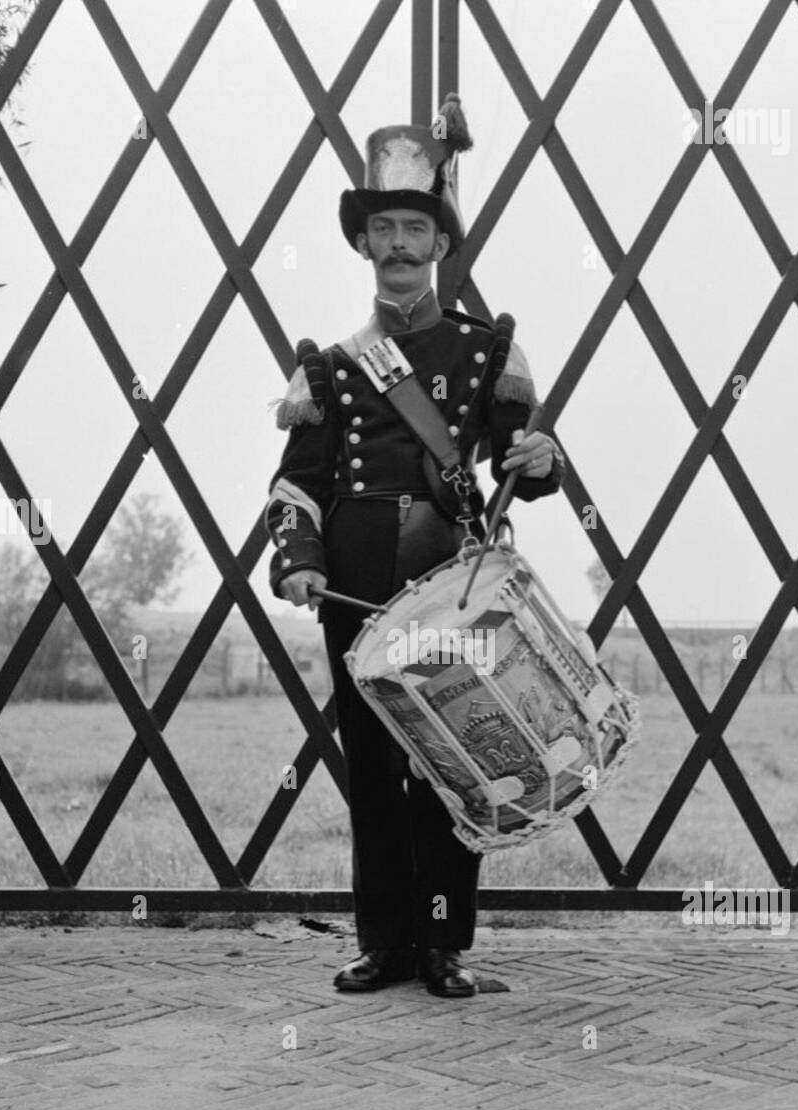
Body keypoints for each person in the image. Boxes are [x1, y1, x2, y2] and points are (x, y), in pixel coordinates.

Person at [265, 95, 564, 997]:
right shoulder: (331, 367)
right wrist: (302, 558)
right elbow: (294, 485)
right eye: (384, 228)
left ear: (439, 245)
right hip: (355, 591)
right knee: (371, 765)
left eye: (414, 229)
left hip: (451, 586)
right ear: (364, 243)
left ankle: (442, 947)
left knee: (454, 763)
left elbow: (528, 463)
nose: (398, 245)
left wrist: (546, 460)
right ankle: (383, 944)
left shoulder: (486, 353)